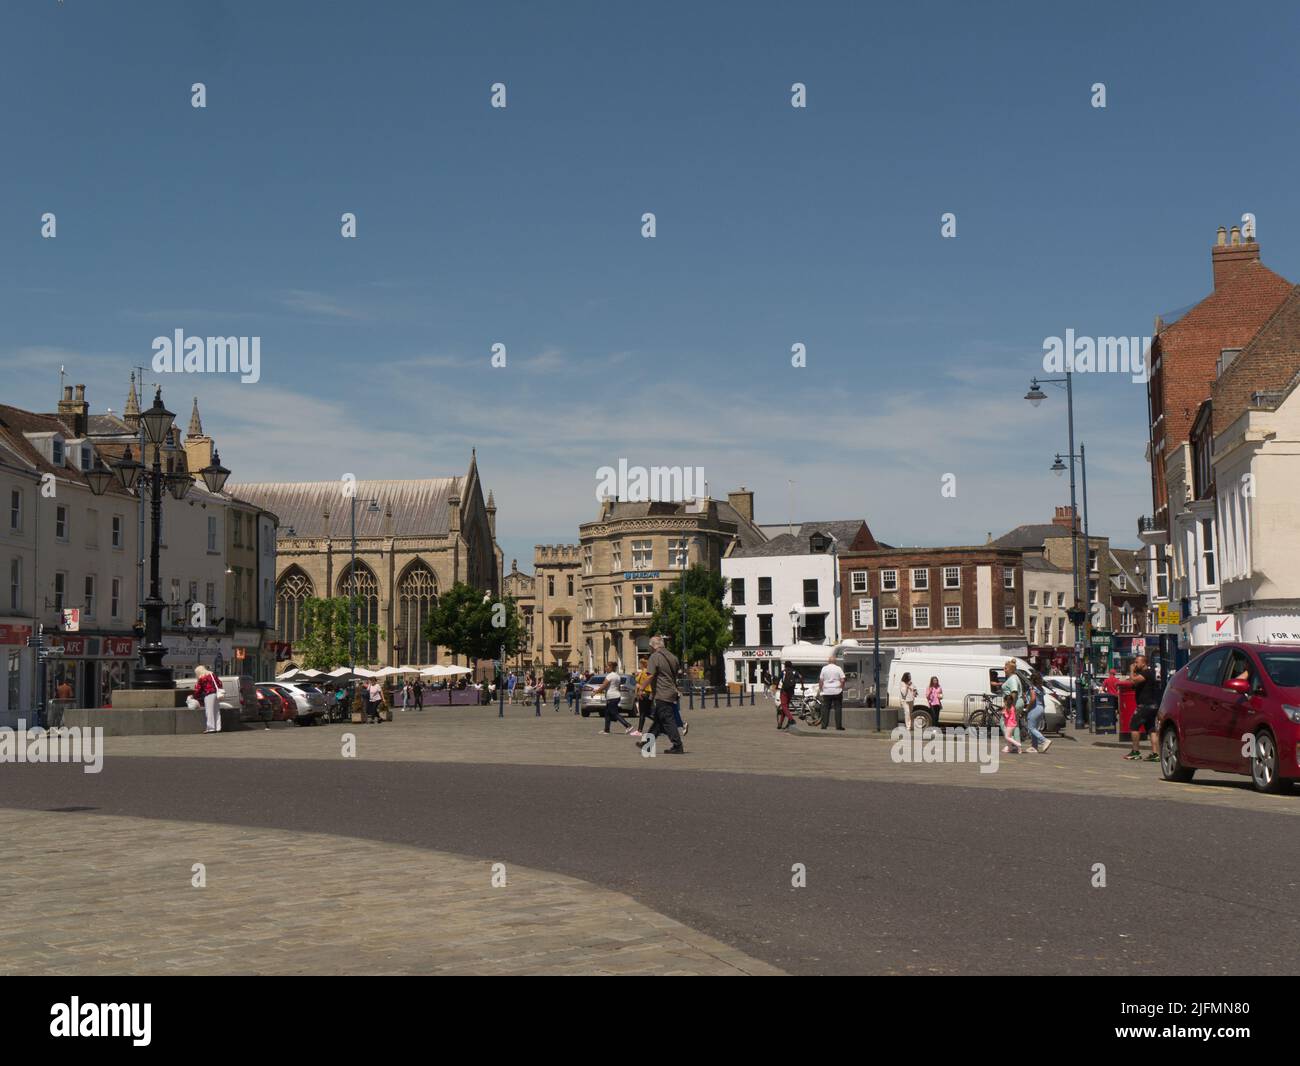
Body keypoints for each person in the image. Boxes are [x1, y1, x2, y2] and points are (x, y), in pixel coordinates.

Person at [640, 635, 684, 754]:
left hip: (662, 692)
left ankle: (677, 745)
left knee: (667, 720)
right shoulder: (673, 657)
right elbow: (677, 673)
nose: (649, 649)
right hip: (671, 691)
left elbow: (650, 675)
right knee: (659, 720)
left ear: (653, 646)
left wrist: (641, 688)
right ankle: (647, 744)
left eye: (649, 646)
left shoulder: (655, 657)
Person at [1124, 654, 1160, 761]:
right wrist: (1134, 673)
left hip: (1145, 705)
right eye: (1134, 662)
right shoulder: (1145, 673)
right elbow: (1133, 683)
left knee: (1134, 725)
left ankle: (1135, 751)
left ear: (1143, 663)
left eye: (1137, 662)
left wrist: (1131, 670)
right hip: (1152, 705)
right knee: (1151, 729)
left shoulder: (1146, 673)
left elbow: (1133, 681)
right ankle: (1155, 753)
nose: (1135, 664)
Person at [594, 660, 633, 734]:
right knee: (607, 713)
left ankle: (628, 725)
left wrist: (595, 692)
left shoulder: (609, 676)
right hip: (616, 696)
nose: (606, 668)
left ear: (611, 667)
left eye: (607, 666)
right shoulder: (617, 676)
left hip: (612, 697)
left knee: (614, 713)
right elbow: (618, 687)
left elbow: (603, 686)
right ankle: (606, 729)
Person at [1023, 673, 1051, 753]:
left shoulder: (1032, 688)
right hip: (1041, 708)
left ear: (1032, 680)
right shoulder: (1041, 688)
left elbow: (1032, 699)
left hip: (1034, 708)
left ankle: (1044, 740)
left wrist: (1027, 708)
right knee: (1034, 727)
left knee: (1031, 728)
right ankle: (1034, 747)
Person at [818, 651, 846, 731]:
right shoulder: (838, 668)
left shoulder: (824, 668)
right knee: (838, 708)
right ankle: (838, 726)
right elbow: (843, 680)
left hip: (826, 691)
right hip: (837, 691)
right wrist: (841, 687)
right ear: (835, 661)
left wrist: (821, 689)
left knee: (826, 709)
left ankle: (824, 725)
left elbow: (821, 680)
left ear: (828, 662)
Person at [194, 665, 221, 734]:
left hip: (209, 694)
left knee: (209, 712)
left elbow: (198, 689)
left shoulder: (202, 678)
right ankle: (218, 727)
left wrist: (195, 696)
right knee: (216, 711)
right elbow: (219, 683)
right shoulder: (212, 675)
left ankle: (211, 728)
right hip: (216, 694)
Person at [633, 656, 654, 737]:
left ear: (642, 664)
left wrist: (638, 692)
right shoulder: (647, 672)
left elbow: (639, 684)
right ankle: (661, 724)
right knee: (647, 713)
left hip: (643, 693)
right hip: (647, 693)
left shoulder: (643, 672)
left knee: (642, 713)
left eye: (639, 663)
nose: (639, 665)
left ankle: (639, 730)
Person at [778, 660, 798, 729]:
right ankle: (780, 724)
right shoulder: (794, 671)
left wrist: (776, 687)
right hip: (791, 691)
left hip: (784, 691)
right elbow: (801, 677)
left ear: (785, 665)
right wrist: (802, 686)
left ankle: (791, 719)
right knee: (785, 707)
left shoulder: (783, 672)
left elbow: (778, 680)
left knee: (784, 706)